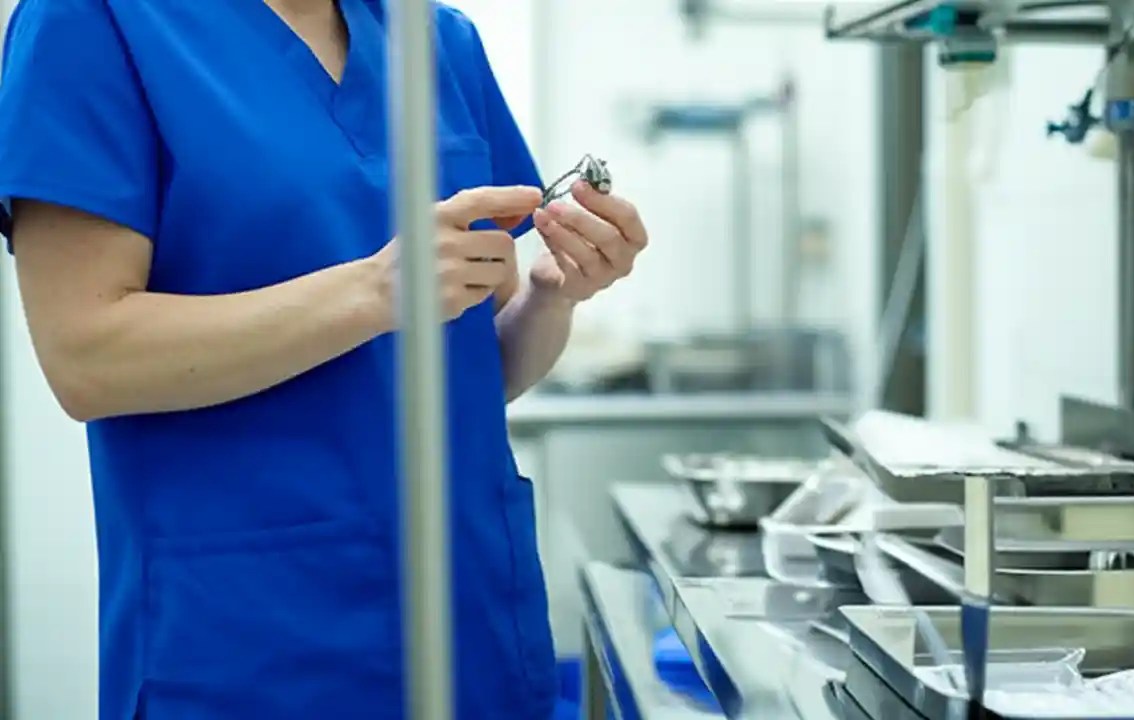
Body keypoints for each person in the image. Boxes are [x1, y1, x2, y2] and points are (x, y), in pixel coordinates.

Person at [0, 0, 648, 718]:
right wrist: (373, 291)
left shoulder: (433, 37)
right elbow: (87, 358)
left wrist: (551, 299)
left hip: (470, 632)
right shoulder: (95, 22)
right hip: (252, 643)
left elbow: (466, 375)